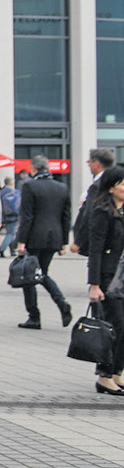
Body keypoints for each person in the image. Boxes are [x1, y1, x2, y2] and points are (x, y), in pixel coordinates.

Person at [15, 160, 78, 328]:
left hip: (34, 237)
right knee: (42, 273)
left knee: (29, 276)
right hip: (54, 237)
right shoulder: (62, 187)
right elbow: (66, 216)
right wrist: (64, 241)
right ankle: (61, 302)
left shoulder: (30, 186)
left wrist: (21, 241)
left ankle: (34, 316)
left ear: (33, 169)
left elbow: (26, 216)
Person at [82, 167, 124, 396]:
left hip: (123, 276)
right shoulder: (102, 212)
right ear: (111, 187)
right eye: (123, 184)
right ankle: (104, 376)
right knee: (115, 326)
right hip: (109, 278)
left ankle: (117, 372)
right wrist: (94, 284)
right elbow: (95, 250)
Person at [74, 148, 119, 256]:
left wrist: (78, 241)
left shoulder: (97, 186)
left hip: (101, 239)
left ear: (97, 164)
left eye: (89, 162)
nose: (88, 165)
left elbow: (90, 213)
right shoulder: (116, 182)